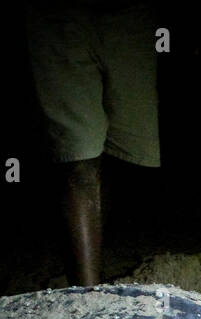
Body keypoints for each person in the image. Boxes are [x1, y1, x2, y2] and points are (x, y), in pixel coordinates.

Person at [26, 1, 161, 285]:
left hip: (131, 16)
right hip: (58, 15)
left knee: (119, 150)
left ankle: (93, 276)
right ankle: (87, 295)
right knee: (79, 156)